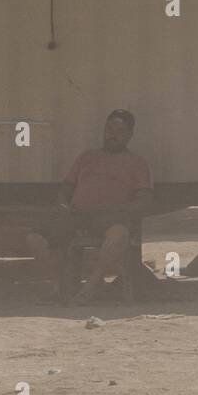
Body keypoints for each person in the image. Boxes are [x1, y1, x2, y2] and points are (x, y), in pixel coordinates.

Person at [26, 109, 154, 303]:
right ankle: (60, 287)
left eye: (120, 131)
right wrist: (62, 206)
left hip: (110, 218)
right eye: (109, 129)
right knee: (34, 238)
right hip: (76, 216)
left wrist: (121, 211)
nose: (113, 135)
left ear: (130, 135)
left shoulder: (137, 163)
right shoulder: (87, 157)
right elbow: (66, 189)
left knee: (119, 235)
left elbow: (143, 201)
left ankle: (90, 288)